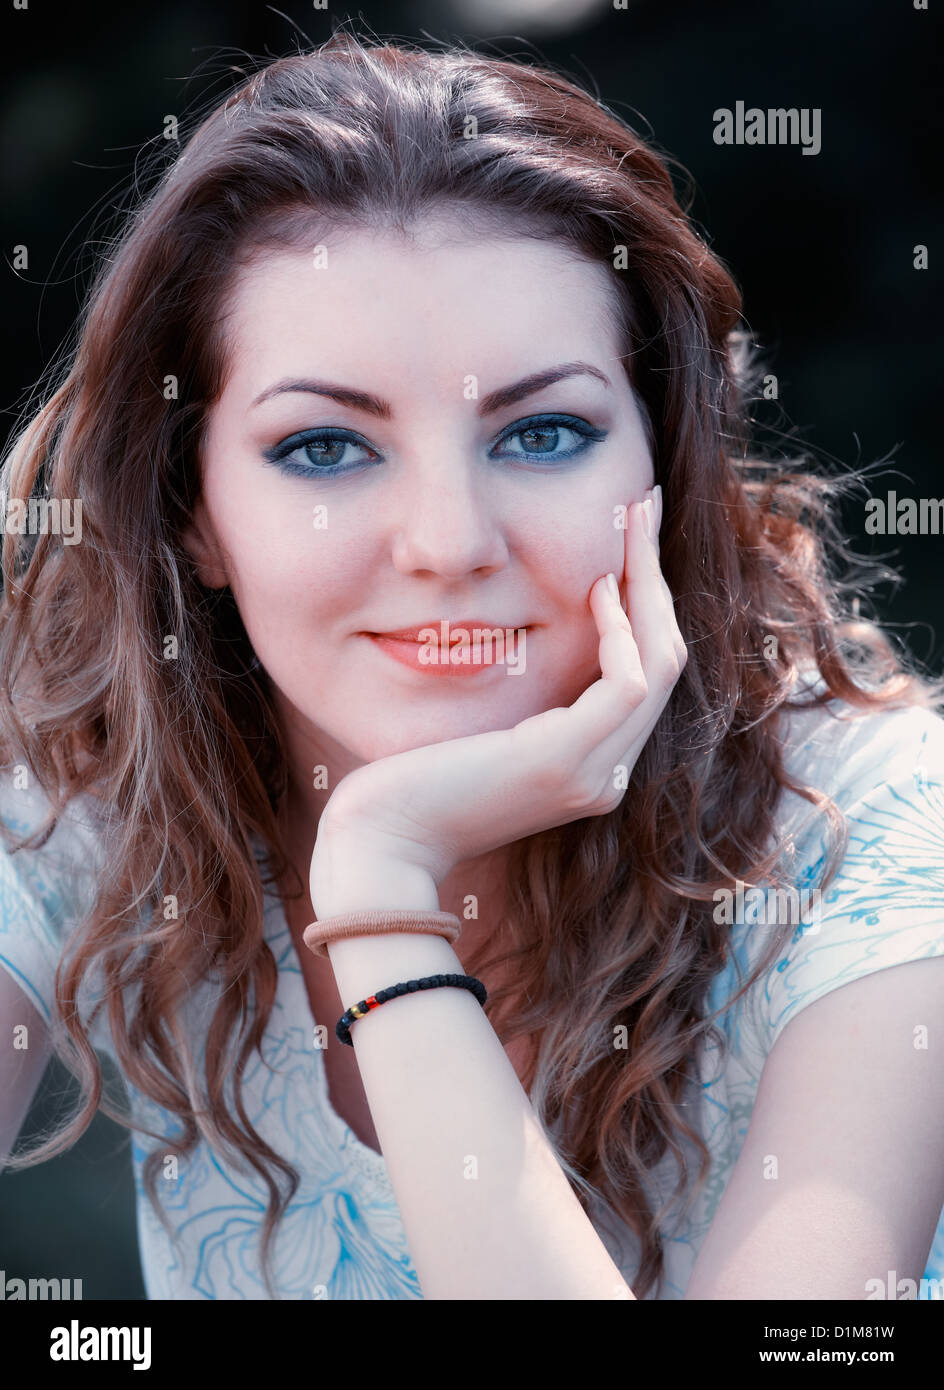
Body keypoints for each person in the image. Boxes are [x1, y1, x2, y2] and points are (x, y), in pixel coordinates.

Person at [1, 30, 943, 1302]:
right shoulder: (86, 794)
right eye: (325, 448)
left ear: (661, 469)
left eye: (543, 431)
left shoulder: (879, 834)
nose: (450, 544)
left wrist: (381, 886)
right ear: (191, 509)